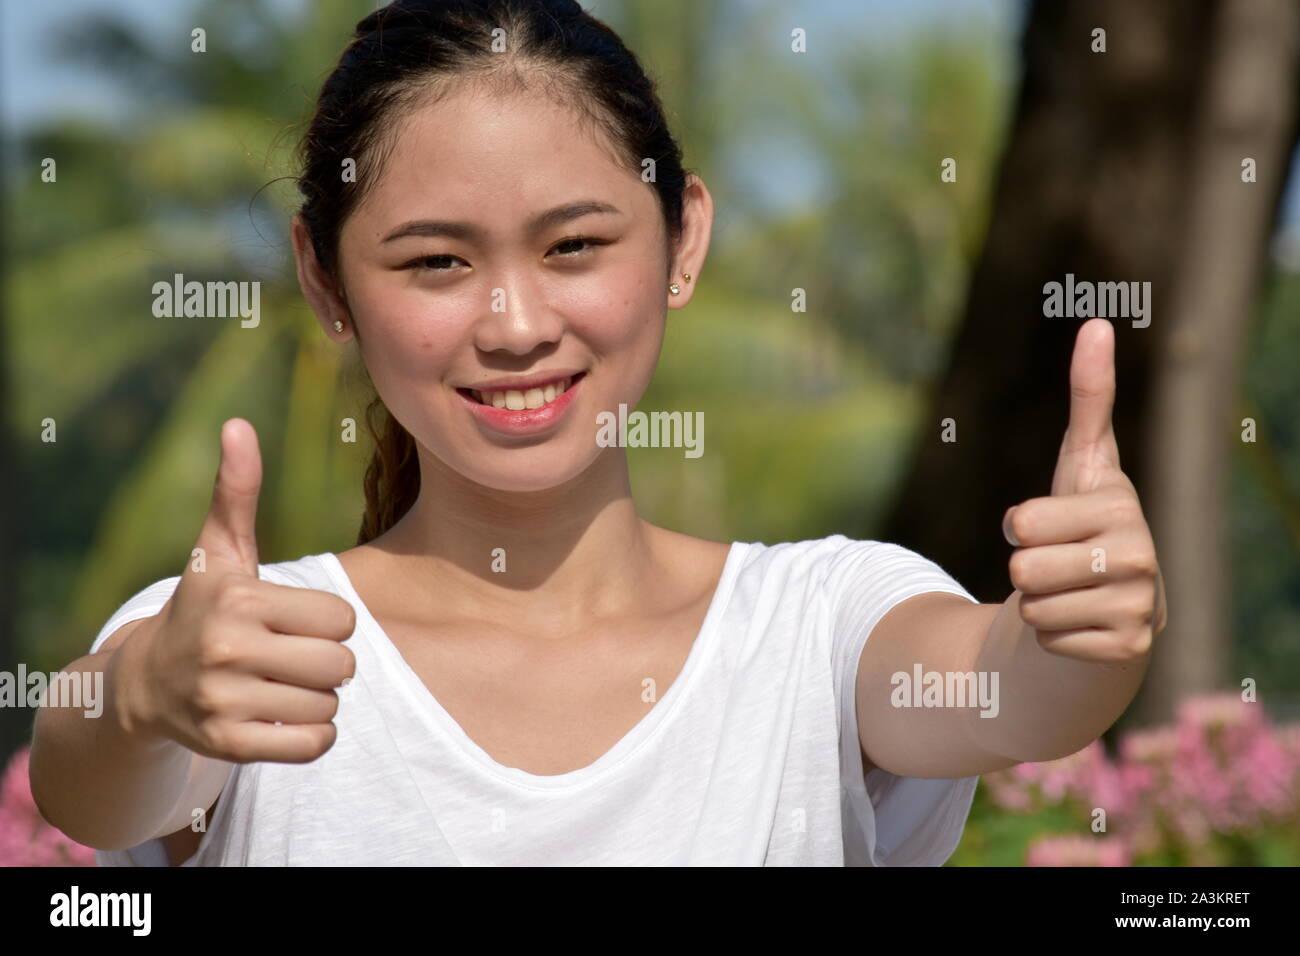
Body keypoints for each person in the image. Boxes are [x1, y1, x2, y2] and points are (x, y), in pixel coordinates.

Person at [29, 0, 1166, 866]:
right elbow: (90, 776)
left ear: (682, 240)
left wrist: (1076, 643)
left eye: (574, 245)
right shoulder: (237, 646)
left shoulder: (821, 622)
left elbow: (1003, 686)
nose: (516, 325)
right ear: (324, 280)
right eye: (436, 262)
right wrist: (141, 700)